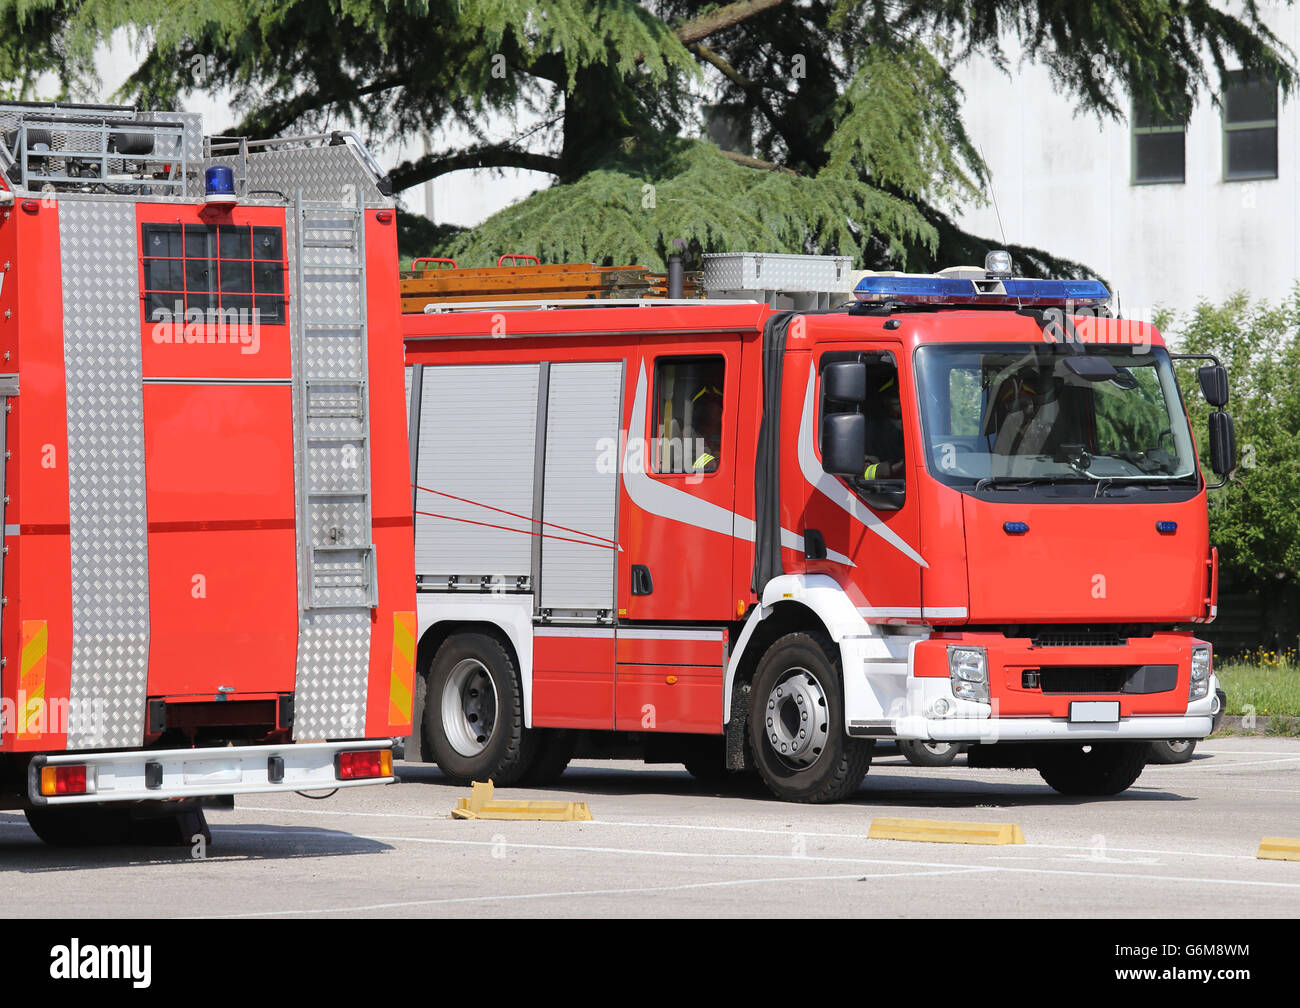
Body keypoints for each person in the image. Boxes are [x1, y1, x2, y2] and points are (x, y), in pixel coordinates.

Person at [863, 374, 904, 480]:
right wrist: (889, 469)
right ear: (885, 400)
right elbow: (862, 471)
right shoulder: (870, 431)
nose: (902, 401)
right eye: (896, 395)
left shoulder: (922, 427)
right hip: (886, 491)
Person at [690, 386, 724, 472]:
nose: (721, 411)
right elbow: (690, 461)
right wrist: (712, 461)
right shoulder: (692, 435)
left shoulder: (727, 434)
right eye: (712, 407)